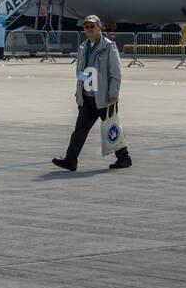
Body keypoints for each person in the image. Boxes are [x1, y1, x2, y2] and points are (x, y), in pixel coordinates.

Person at [53, 15, 133, 171]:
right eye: (86, 27)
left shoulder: (109, 47)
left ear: (99, 28)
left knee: (111, 127)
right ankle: (70, 160)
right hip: (88, 98)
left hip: (104, 97)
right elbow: (81, 72)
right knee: (79, 131)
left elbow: (116, 73)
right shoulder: (84, 47)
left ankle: (124, 158)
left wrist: (113, 94)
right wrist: (79, 89)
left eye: (92, 26)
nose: (88, 30)